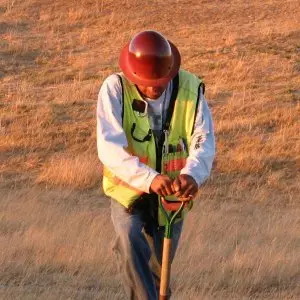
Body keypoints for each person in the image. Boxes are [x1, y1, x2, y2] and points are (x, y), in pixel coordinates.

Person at [97, 30, 215, 300]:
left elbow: (203, 140)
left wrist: (192, 175)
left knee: (159, 271)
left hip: (173, 195)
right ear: (132, 74)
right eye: (147, 82)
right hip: (128, 192)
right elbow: (109, 147)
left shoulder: (190, 89)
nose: (154, 88)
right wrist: (148, 179)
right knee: (129, 238)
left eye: (160, 81)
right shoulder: (114, 89)